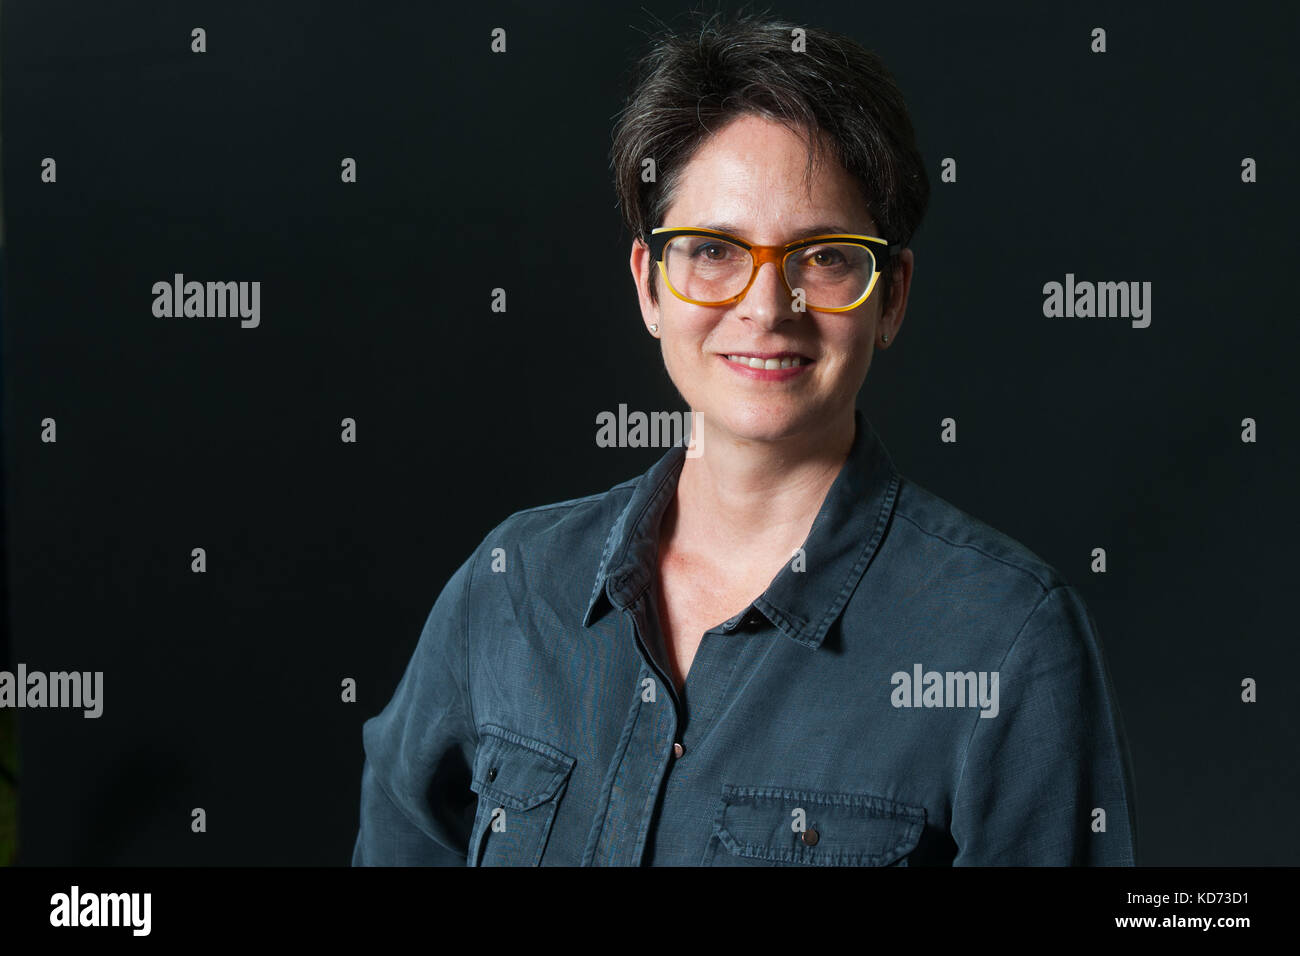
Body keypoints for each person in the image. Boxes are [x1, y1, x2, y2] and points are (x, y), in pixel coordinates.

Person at [351, 13, 1137, 866]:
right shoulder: (510, 585)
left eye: (824, 257)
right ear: (651, 287)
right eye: (715, 251)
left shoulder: (1004, 637)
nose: (767, 308)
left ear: (892, 297)